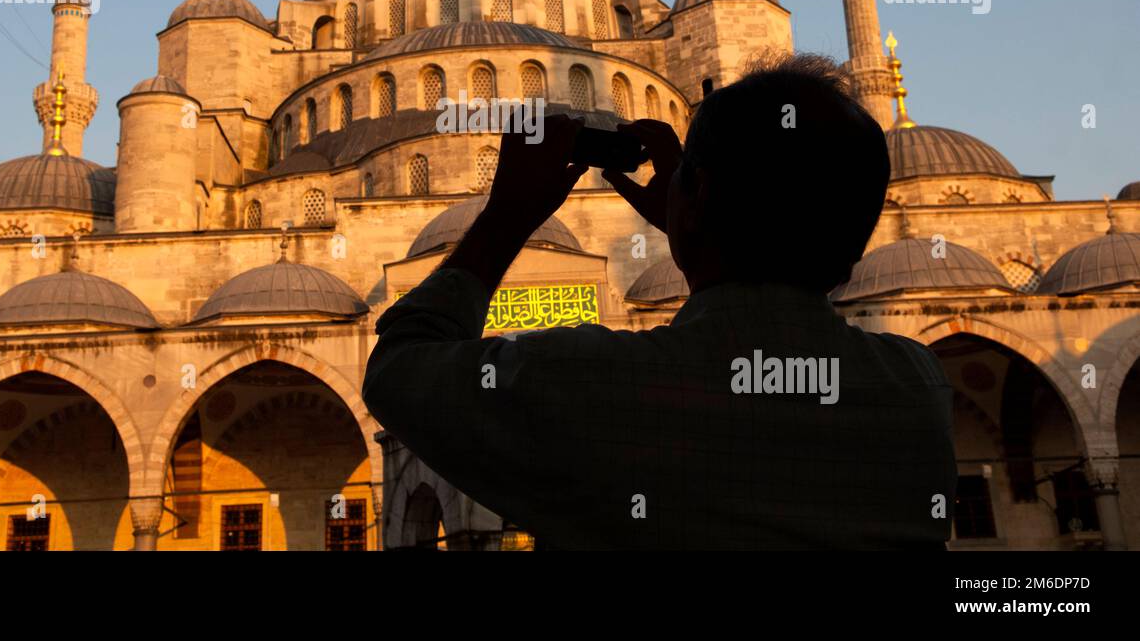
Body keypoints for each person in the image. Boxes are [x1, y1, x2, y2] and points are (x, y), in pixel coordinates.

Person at [362, 52, 956, 549]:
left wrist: (506, 219)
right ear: (856, 243)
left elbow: (397, 369)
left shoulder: (594, 382)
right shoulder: (917, 386)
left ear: (695, 194)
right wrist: (693, 218)